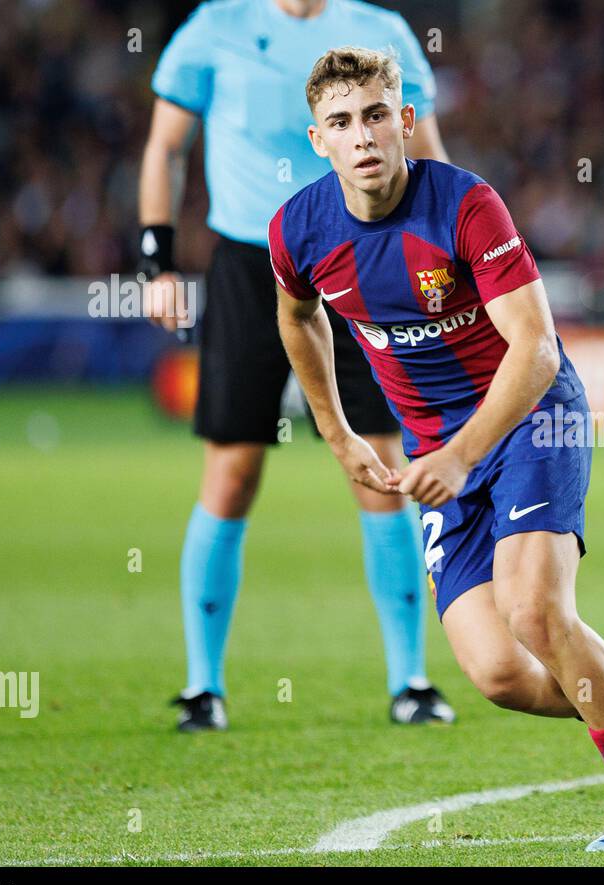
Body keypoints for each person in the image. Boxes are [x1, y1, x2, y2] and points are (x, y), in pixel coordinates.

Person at [269, 46, 604, 850]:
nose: (362, 135)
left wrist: (460, 455)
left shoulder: (467, 207)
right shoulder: (298, 230)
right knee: (500, 675)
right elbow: (297, 316)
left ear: (405, 121)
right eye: (341, 122)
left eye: (376, 115)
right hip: (442, 453)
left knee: (534, 610)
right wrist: (337, 434)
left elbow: (537, 349)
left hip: (530, 419)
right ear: (318, 141)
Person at [139, 0, 454, 731]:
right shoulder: (215, 27)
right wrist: (156, 259)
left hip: (364, 252)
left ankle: (410, 680)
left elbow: (429, 153)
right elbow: (164, 147)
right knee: (234, 469)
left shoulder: (384, 29)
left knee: (381, 464)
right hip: (248, 262)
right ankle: (202, 685)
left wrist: (444, 254)